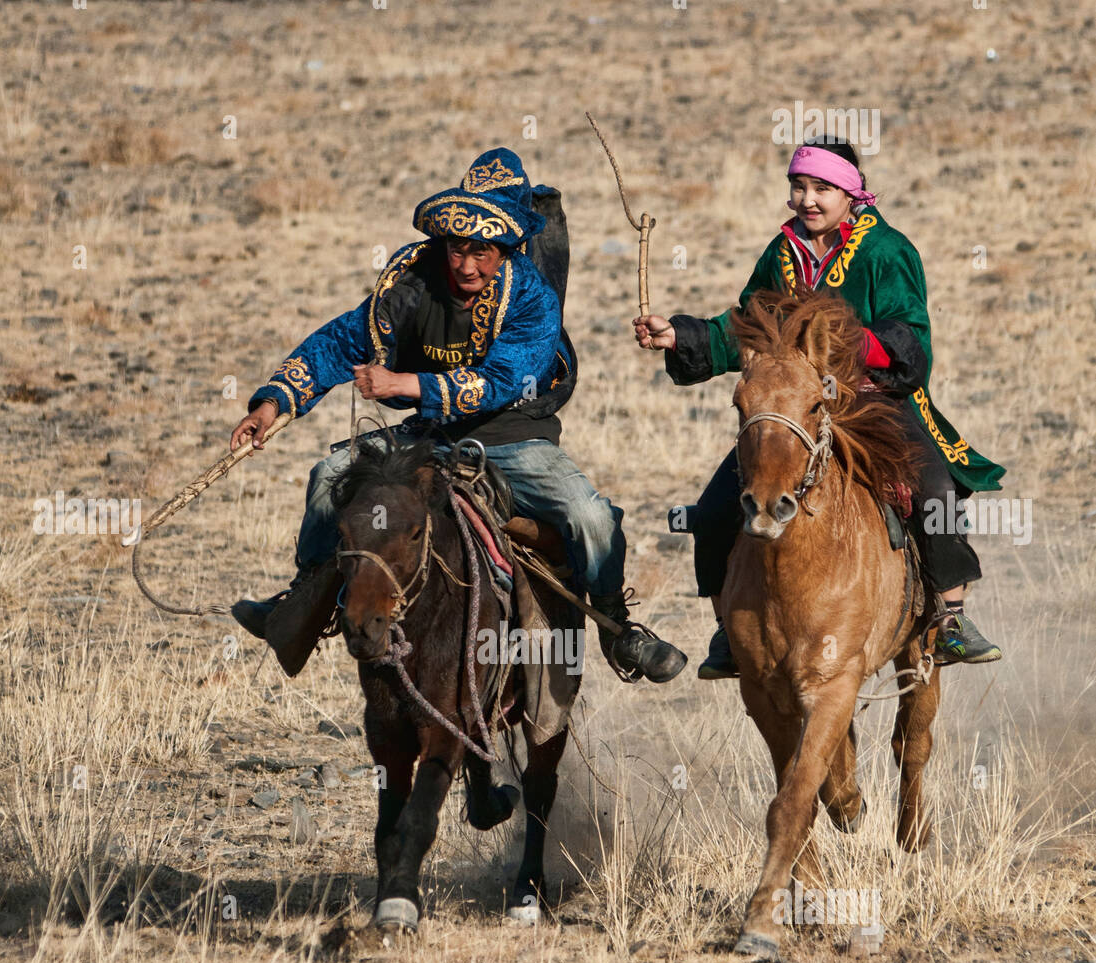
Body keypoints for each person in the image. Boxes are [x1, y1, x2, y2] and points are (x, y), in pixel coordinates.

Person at [230, 147, 685, 684]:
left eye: (484, 251)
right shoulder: (412, 280)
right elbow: (340, 341)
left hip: (514, 437)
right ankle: (304, 604)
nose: (467, 265)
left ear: (509, 246)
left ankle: (617, 628)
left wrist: (406, 384)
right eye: (457, 248)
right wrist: (273, 401)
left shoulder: (533, 299)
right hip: (428, 434)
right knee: (328, 477)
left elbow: (503, 382)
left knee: (592, 517)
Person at [634, 137, 1003, 677]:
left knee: (934, 490)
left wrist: (852, 342)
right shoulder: (781, 253)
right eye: (799, 187)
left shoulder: (886, 251)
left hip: (874, 401)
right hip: (796, 407)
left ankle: (949, 616)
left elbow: (910, 337)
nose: (807, 199)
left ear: (851, 194)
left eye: (822, 188)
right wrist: (680, 335)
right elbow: (746, 328)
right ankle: (729, 630)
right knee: (715, 509)